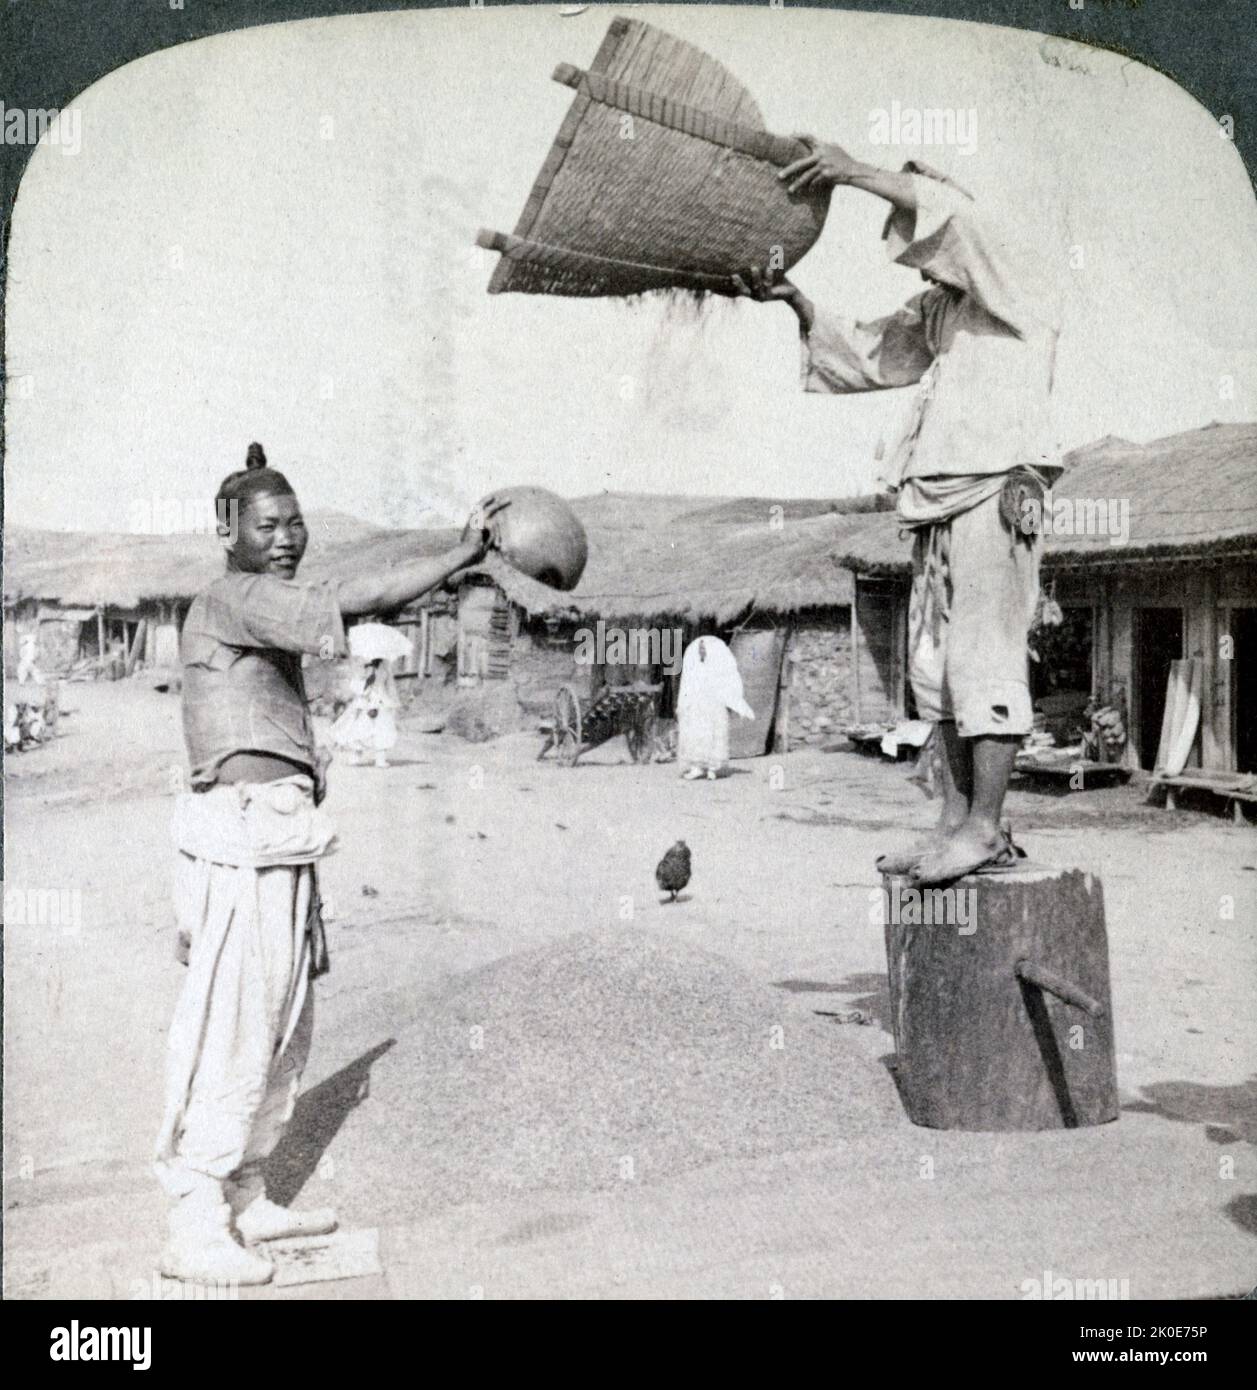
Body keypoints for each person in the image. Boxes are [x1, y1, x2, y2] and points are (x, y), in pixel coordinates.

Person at [155, 442, 505, 1285]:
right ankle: (192, 1218)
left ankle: (245, 1193)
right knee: (237, 1029)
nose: (285, 537)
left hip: (280, 839)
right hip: (240, 843)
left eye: (295, 522)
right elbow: (352, 597)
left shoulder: (260, 611)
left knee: (282, 1027)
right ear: (225, 531)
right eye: (266, 524)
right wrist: (461, 555)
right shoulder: (236, 599)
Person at [734, 142, 1061, 883]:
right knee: (938, 665)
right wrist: (795, 301)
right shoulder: (946, 310)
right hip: (939, 493)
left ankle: (984, 827)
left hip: (998, 482)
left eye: (915, 218)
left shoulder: (1019, 273)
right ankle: (952, 823)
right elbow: (873, 352)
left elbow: (964, 221)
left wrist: (851, 172)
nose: (912, 244)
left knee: (984, 656)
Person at [676, 635, 754, 779]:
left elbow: (730, 684)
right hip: (697, 708)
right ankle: (697, 767)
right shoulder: (694, 668)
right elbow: (686, 688)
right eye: (700, 649)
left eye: (704, 649)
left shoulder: (718, 669)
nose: (702, 652)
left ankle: (713, 768)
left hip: (713, 707)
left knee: (715, 736)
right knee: (696, 736)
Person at [329, 658, 400, 767]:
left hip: (376, 701)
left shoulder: (381, 670)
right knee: (363, 728)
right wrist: (366, 682)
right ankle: (357, 757)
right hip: (369, 701)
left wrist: (388, 700)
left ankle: (376, 759)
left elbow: (388, 686)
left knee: (378, 728)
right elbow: (358, 686)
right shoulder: (371, 669)